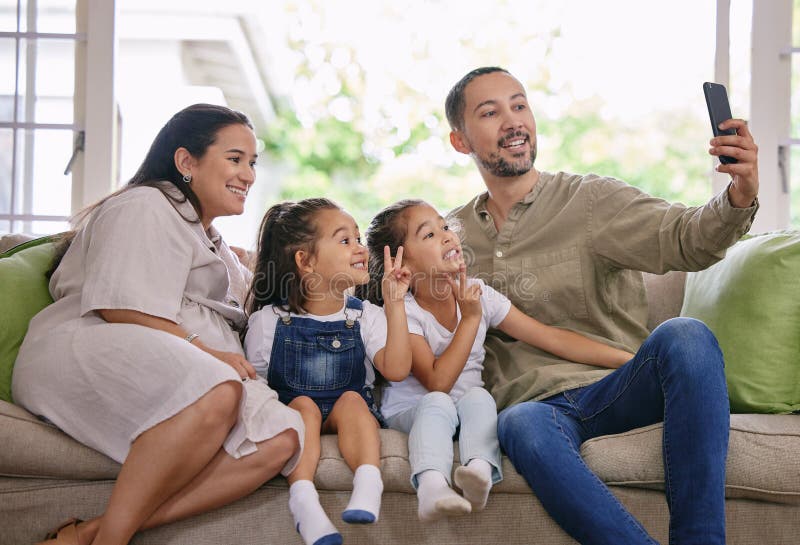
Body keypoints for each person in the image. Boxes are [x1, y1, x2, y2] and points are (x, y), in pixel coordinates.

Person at [444, 67, 759, 545]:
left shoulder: (590, 201)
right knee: (520, 423)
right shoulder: (448, 238)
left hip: (617, 388)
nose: (513, 121)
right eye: (490, 113)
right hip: (534, 408)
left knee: (687, 335)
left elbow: (685, 239)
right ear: (460, 142)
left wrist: (741, 193)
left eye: (519, 105)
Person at [11, 104, 305, 545]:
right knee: (220, 389)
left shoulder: (214, 242)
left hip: (174, 359)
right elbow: (120, 306)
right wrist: (209, 354)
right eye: (234, 159)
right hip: (89, 344)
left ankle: (94, 532)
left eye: (252, 163)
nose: (248, 175)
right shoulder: (146, 204)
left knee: (282, 438)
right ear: (186, 161)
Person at [361, 199, 634, 523]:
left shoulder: (478, 292)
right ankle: (431, 488)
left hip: (463, 408)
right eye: (429, 235)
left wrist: (628, 360)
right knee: (438, 402)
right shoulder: (407, 311)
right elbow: (437, 382)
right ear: (404, 263)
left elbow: (549, 337)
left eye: (445, 226)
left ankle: (478, 472)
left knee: (479, 397)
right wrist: (470, 319)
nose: (447, 236)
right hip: (414, 411)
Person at [243, 198, 412, 545]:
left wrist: (394, 303)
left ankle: (369, 481)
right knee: (302, 406)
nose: (360, 248)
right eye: (345, 240)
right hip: (295, 413)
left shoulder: (366, 314)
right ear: (305, 261)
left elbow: (396, 369)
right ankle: (304, 500)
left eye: (358, 238)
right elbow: (257, 390)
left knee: (352, 400)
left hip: (345, 412)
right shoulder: (268, 322)